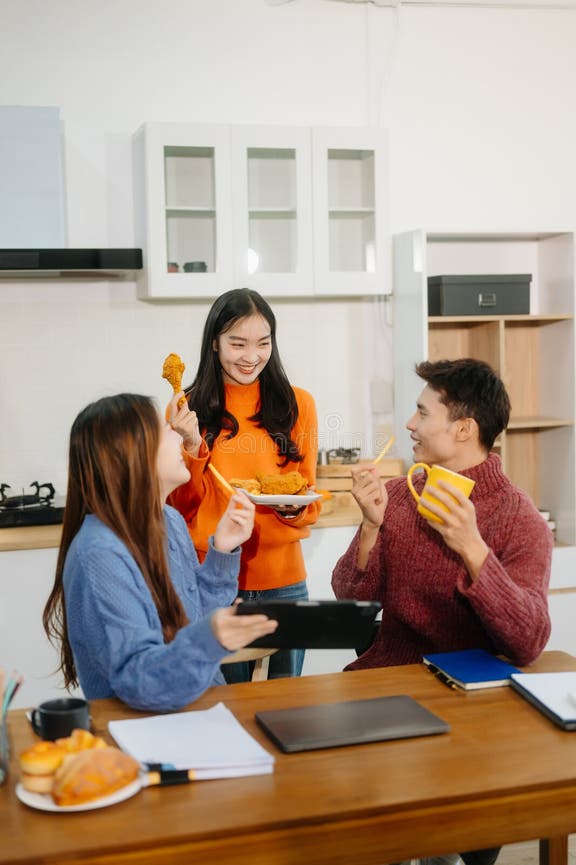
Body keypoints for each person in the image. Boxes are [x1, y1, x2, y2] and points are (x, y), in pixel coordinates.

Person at [332, 358, 553, 865]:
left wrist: (473, 548)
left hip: (475, 714)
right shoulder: (398, 495)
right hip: (387, 687)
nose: (409, 424)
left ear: (463, 429)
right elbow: (350, 602)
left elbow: (528, 640)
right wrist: (369, 529)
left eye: (421, 412)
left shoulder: (519, 519)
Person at [43, 393, 277, 713]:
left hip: (195, 709)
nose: (177, 433)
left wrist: (222, 550)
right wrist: (210, 637)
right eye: (164, 428)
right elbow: (141, 682)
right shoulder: (99, 554)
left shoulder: (169, 520)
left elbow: (190, 619)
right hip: (143, 729)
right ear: (131, 454)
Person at [168, 288, 320, 683]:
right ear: (214, 344)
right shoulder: (184, 408)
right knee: (221, 706)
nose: (251, 356)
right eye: (238, 343)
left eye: (263, 343)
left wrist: (293, 506)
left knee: (286, 709)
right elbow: (179, 509)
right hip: (212, 580)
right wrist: (189, 445)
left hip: (283, 580)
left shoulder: (298, 404)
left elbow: (311, 499)